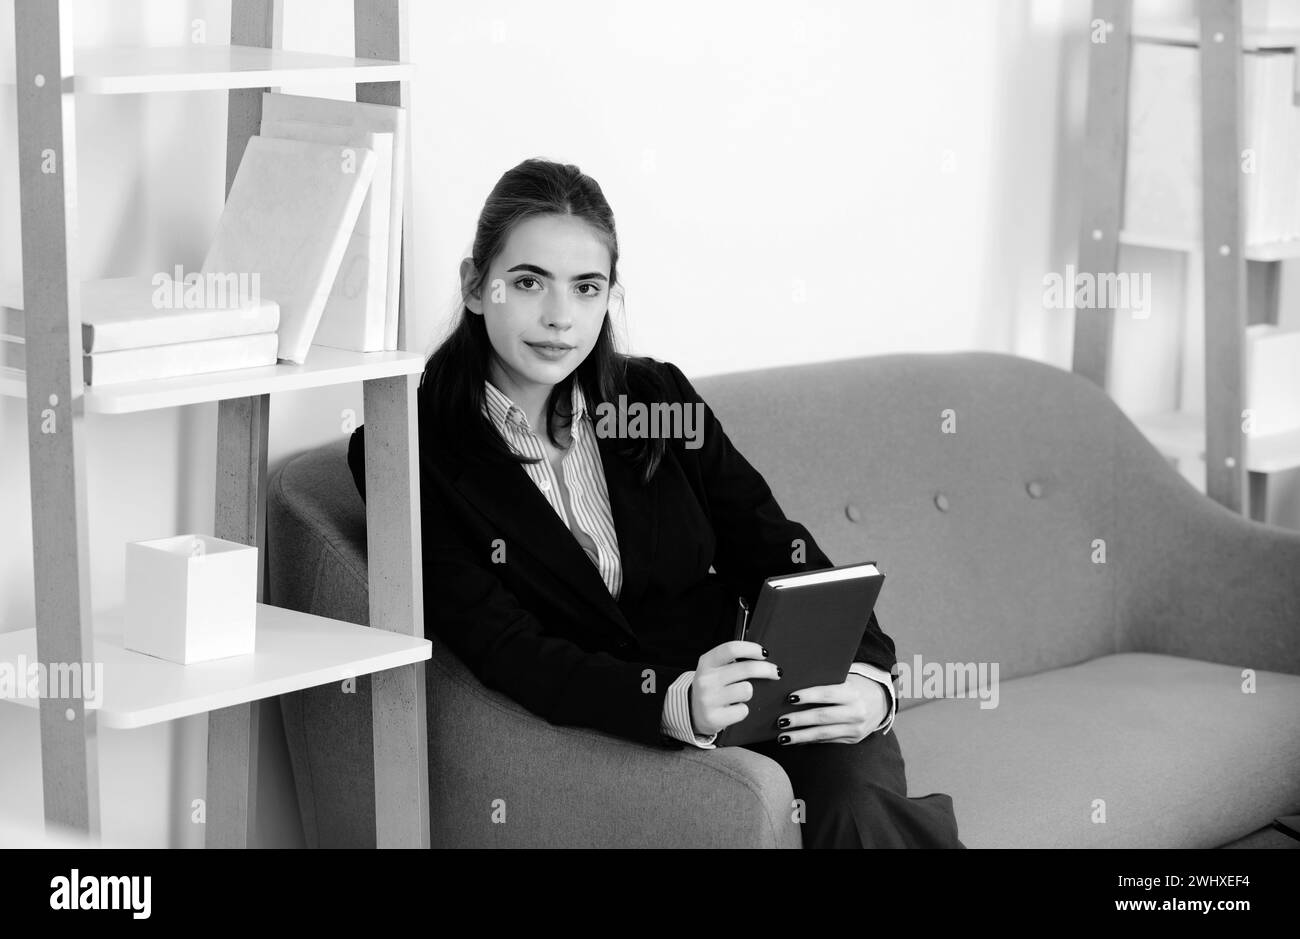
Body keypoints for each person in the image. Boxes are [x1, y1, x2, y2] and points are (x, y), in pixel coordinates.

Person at [348, 157, 963, 849]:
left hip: (759, 689)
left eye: (586, 288)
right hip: (625, 725)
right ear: (474, 284)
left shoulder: (655, 399)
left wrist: (872, 681)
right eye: (528, 282)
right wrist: (673, 699)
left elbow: (776, 546)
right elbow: (506, 647)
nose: (559, 318)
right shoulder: (408, 450)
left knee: (858, 807)